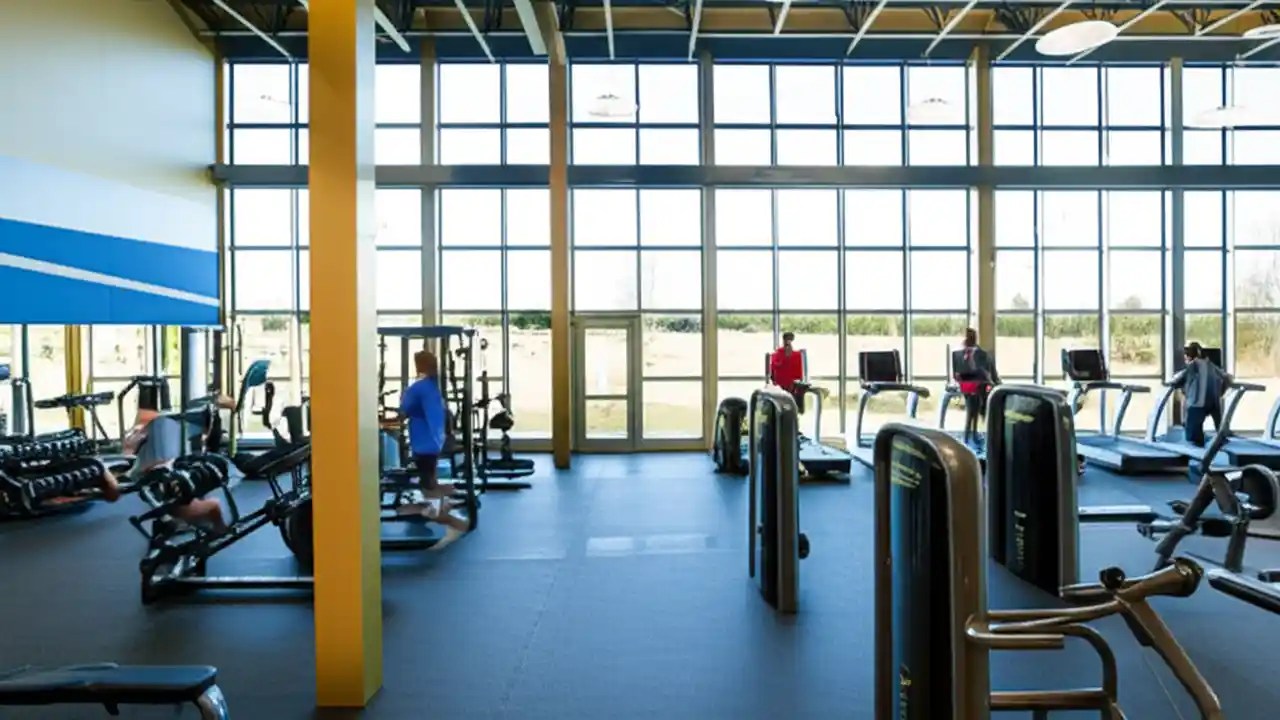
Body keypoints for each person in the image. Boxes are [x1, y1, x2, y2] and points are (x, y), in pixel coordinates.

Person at [121, 395, 238, 533]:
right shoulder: (159, 428)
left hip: (165, 480)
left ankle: (177, 514)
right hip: (161, 483)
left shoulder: (165, 428)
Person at [398, 348, 468, 549]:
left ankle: (455, 524)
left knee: (428, 485)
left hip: (425, 442)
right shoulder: (434, 387)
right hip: (434, 441)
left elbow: (405, 411)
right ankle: (445, 508)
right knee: (430, 481)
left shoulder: (419, 388)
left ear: (420, 365)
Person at [1169, 342, 1232, 447]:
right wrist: (1221, 393)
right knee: (1221, 432)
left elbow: (1175, 381)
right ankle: (1219, 442)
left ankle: (1199, 448)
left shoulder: (1192, 367)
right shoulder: (1211, 365)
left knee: (1191, 437)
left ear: (1189, 356)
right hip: (1214, 403)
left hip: (1197, 404)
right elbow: (1228, 378)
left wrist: (1183, 390)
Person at [954, 328, 1000, 448]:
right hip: (971, 385)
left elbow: (984, 371)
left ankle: (971, 435)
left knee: (974, 410)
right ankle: (969, 436)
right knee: (972, 411)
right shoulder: (967, 353)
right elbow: (977, 371)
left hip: (974, 385)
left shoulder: (974, 353)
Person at [769, 332, 808, 412]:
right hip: (783, 387)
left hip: (793, 387)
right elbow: (773, 373)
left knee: (792, 410)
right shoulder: (776, 356)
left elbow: (800, 374)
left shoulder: (798, 356)